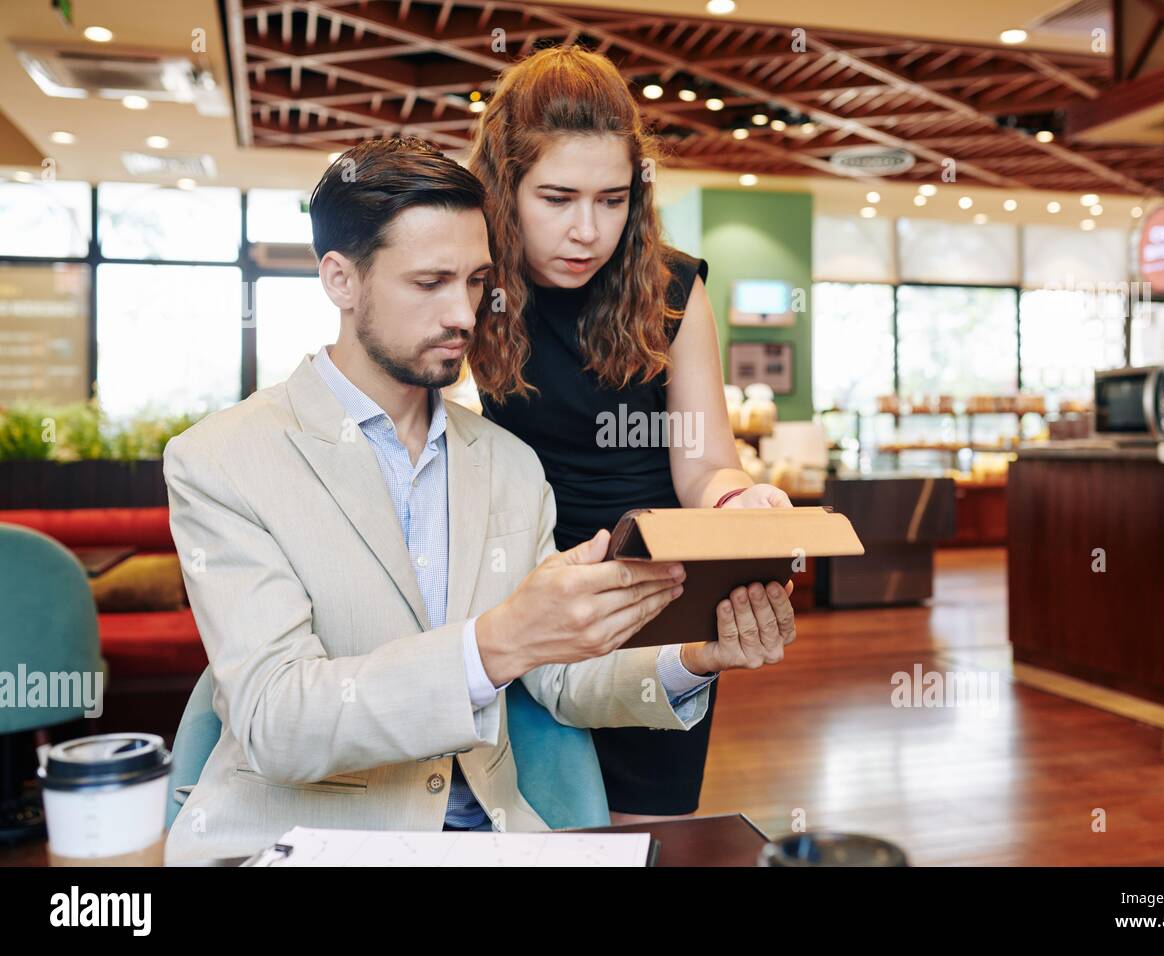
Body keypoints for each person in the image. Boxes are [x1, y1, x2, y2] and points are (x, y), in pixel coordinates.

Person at [161, 137, 796, 864]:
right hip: (299, 841)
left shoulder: (507, 464)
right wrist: (496, 642)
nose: (464, 313)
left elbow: (560, 678)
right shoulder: (222, 460)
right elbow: (277, 718)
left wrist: (696, 654)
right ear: (340, 280)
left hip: (492, 838)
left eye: (474, 282)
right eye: (430, 282)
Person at [469, 47, 795, 825]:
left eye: (612, 200)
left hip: (656, 605)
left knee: (647, 828)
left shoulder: (672, 289)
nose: (588, 230)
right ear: (503, 187)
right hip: (528, 595)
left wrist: (742, 501)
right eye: (557, 197)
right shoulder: (474, 284)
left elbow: (704, 463)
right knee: (541, 822)